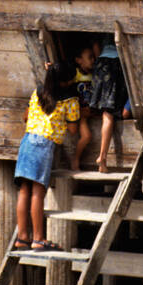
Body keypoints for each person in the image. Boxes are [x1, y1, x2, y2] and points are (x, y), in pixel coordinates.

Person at [14, 60, 80, 250]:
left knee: (24, 190)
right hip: (44, 144)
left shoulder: (39, 91)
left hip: (27, 141)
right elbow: (74, 130)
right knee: (38, 192)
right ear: (67, 81)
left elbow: (26, 116)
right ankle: (38, 238)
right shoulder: (70, 99)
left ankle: (22, 236)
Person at [90, 34, 130, 173]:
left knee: (105, 113)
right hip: (116, 66)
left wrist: (98, 63)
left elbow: (96, 44)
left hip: (101, 65)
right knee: (108, 114)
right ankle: (102, 157)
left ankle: (102, 157)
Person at [71, 36, 96, 170]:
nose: (93, 60)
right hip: (80, 113)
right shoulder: (75, 75)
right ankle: (75, 159)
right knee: (86, 136)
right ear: (78, 60)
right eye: (90, 57)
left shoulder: (95, 75)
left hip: (89, 111)